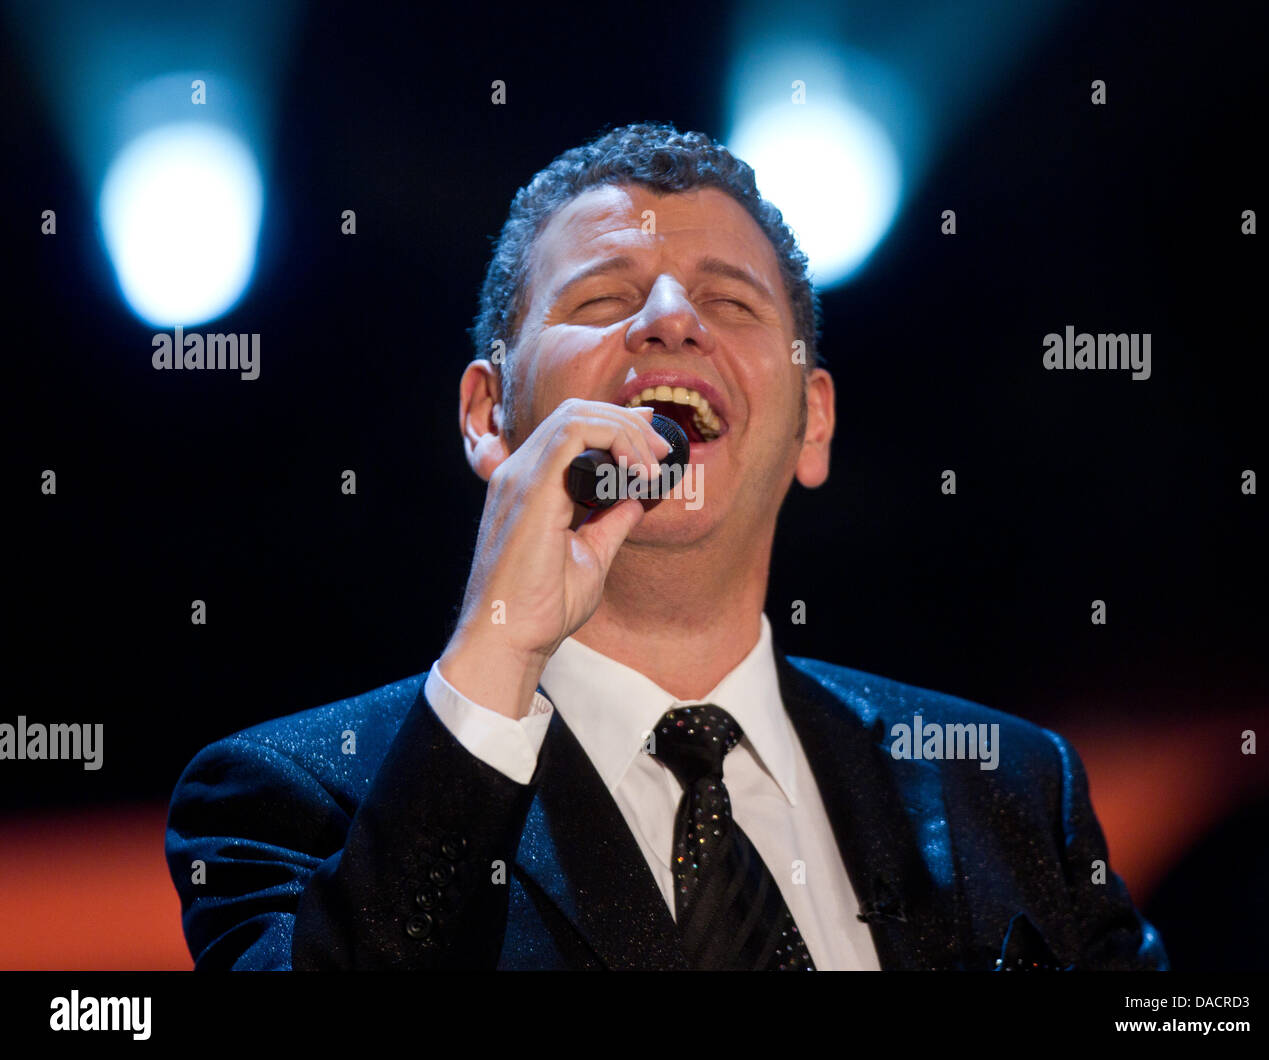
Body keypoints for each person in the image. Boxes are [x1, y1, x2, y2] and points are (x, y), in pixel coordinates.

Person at [165, 122, 1167, 970]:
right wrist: (495, 656)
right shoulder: (292, 795)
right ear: (487, 417)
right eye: (603, 297)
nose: (672, 321)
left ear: (812, 423)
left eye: (730, 303)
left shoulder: (1009, 785)